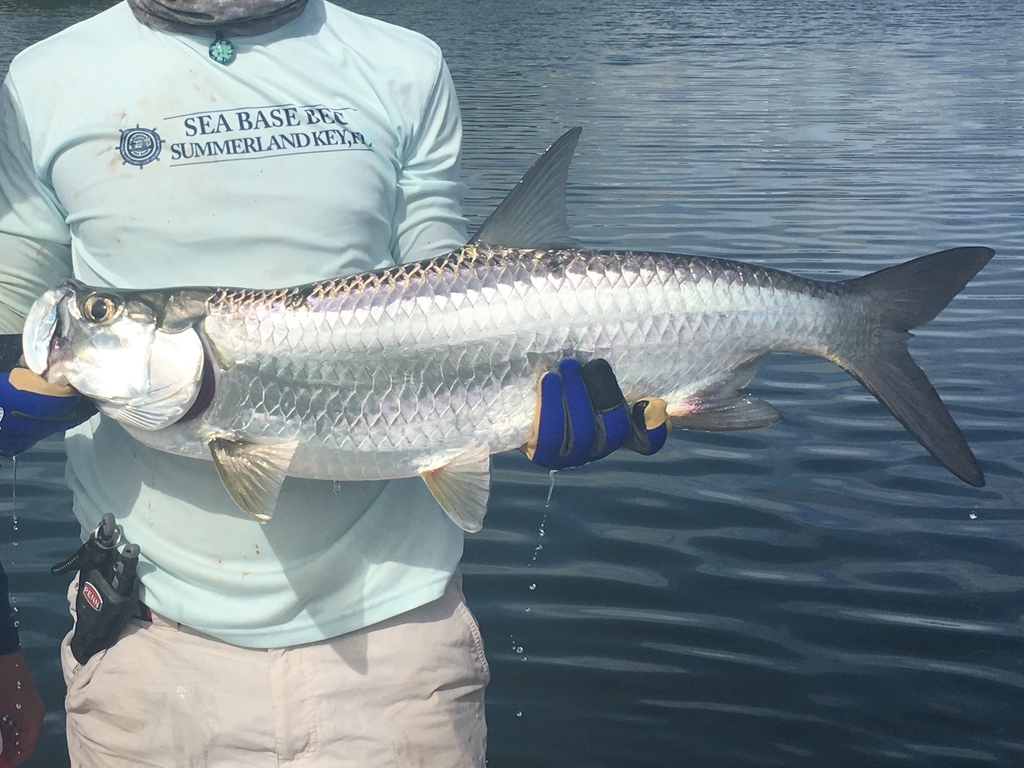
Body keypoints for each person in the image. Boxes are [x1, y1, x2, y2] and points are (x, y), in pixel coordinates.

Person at [0, 1, 669, 764]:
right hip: (144, 653)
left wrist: (532, 379)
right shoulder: (43, 79)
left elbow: (457, 282)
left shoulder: (402, 61)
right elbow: (14, 315)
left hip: (400, 644)